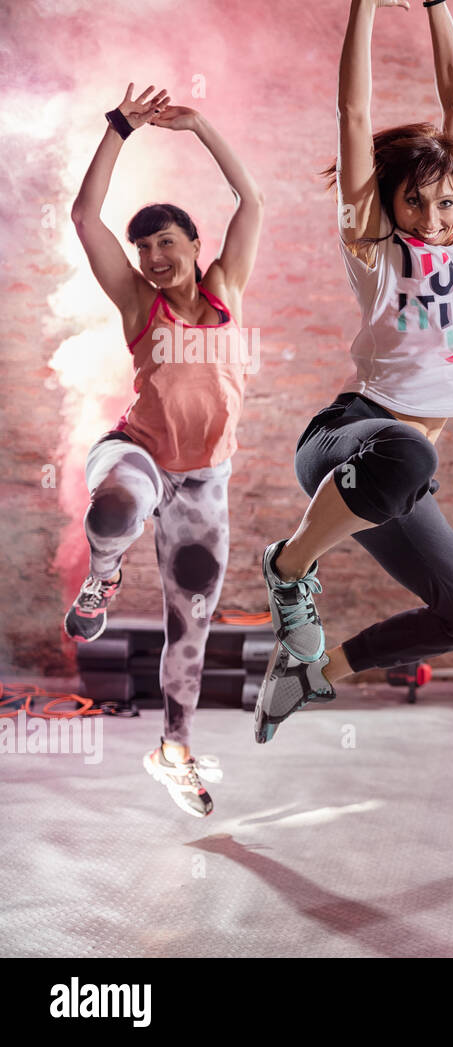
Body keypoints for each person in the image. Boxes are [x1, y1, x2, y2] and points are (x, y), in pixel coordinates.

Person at [254, 0, 453, 742]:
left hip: (397, 475)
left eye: (446, 201)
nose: (433, 215)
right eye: (415, 201)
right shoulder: (375, 246)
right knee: (410, 447)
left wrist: (436, 6)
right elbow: (352, 113)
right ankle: (288, 566)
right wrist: (364, 5)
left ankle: (314, 673)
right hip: (347, 437)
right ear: (387, 203)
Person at [66, 83, 264, 817]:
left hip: (204, 484)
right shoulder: (135, 303)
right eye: (144, 246)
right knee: (117, 508)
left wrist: (200, 125)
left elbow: (252, 200)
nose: (151, 256)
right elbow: (86, 217)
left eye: (164, 243)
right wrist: (119, 127)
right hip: (136, 455)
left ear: (194, 246)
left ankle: (173, 748)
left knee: (193, 623)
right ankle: (104, 578)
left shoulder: (226, 290)